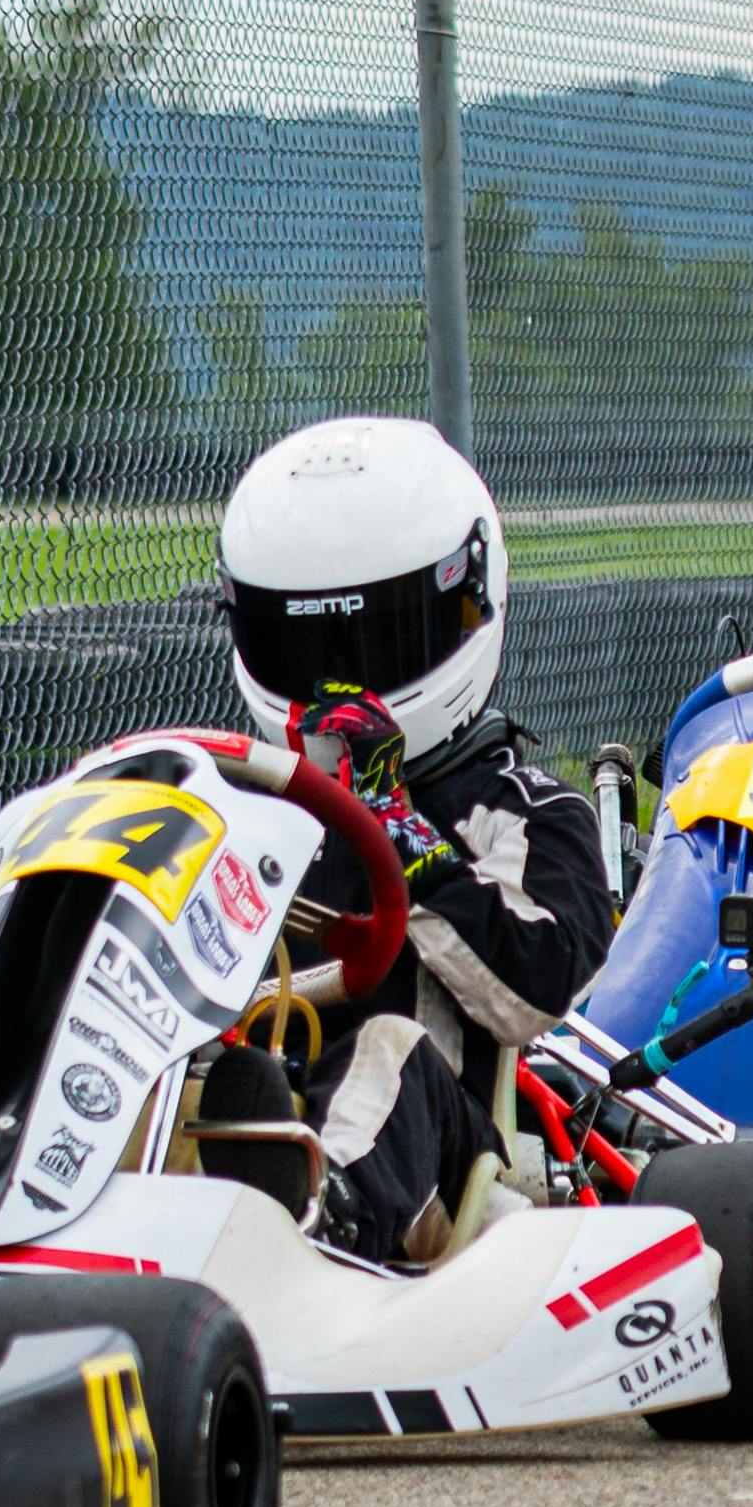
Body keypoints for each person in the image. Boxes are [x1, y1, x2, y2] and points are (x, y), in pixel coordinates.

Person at [208, 407, 618, 1261]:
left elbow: (531, 993)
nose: (336, 687)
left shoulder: (530, 810)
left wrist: (392, 821)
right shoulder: (230, 804)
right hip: (252, 1095)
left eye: (374, 640)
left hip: (442, 1157)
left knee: (389, 1047)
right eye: (303, 644)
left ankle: (323, 1217)